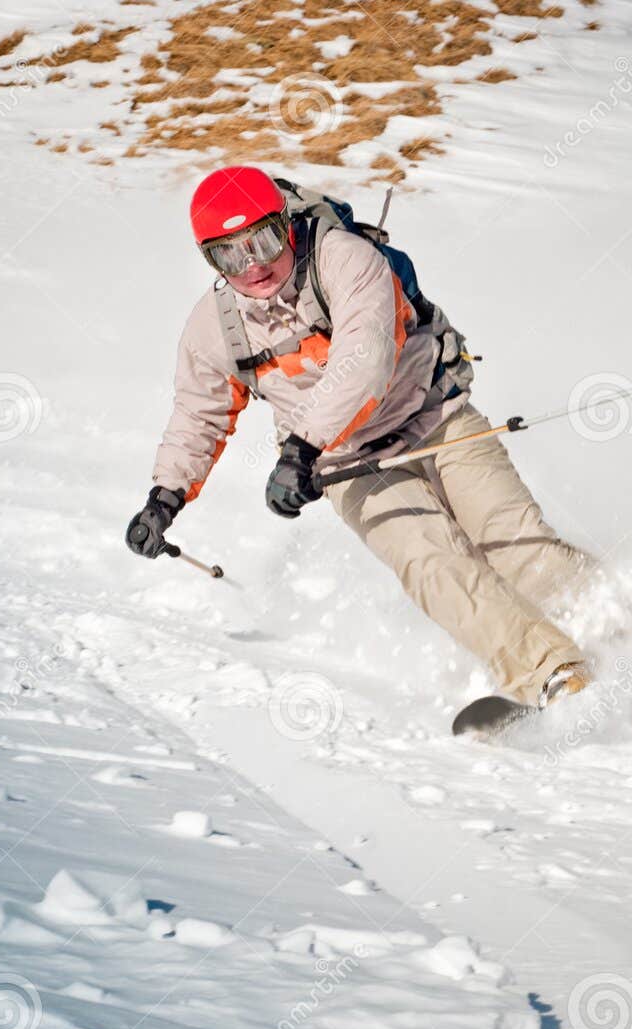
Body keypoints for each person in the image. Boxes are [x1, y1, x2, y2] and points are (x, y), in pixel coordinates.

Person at [126, 165, 591, 709]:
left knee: (513, 541)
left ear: (286, 225)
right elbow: (198, 414)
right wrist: (165, 497)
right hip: (348, 463)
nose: (253, 266)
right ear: (210, 260)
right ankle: (553, 674)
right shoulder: (214, 326)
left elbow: (364, 359)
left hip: (434, 415)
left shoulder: (344, 259)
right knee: (433, 564)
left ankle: (624, 637)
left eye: (263, 241)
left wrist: (300, 449)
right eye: (229, 255)